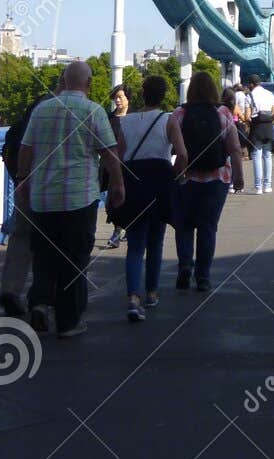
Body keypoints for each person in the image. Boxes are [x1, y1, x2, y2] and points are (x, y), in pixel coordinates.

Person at [17, 60, 123, 338]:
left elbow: (25, 149)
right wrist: (118, 185)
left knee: (43, 256)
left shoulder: (42, 110)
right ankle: (68, 322)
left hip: (43, 198)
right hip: (79, 199)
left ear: (63, 81)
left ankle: (39, 303)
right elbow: (110, 153)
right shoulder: (93, 111)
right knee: (75, 260)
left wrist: (22, 180)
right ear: (88, 84)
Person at [116, 75, 187, 322]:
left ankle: (133, 298)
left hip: (134, 183)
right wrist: (178, 175)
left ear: (142, 94)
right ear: (163, 94)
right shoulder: (167, 120)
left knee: (135, 245)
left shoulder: (126, 121)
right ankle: (152, 292)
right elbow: (183, 154)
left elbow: (120, 156)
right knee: (156, 241)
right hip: (160, 182)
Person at [173, 72, 245, 291]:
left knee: (184, 224)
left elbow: (171, 144)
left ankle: (185, 264)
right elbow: (233, 148)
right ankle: (203, 276)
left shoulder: (180, 113)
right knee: (208, 227)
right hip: (217, 178)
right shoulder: (222, 112)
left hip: (186, 178)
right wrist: (238, 176)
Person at [0, 100, 38, 317]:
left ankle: (10, 289)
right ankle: (41, 298)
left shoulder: (17, 129)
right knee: (51, 245)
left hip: (23, 189)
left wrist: (19, 181)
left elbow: (8, 156)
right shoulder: (45, 128)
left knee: (20, 240)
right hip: (48, 192)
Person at [101, 84, 130, 250]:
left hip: (130, 165)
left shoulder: (134, 117)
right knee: (113, 200)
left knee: (128, 197)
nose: (118, 100)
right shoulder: (109, 119)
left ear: (128, 98)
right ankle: (117, 230)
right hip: (112, 166)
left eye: (121, 97)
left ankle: (122, 231)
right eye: (116, 97)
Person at [246, 77, 274, 194]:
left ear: (251, 84)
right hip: (269, 128)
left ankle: (258, 187)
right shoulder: (270, 94)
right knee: (268, 156)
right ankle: (267, 185)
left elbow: (247, 116)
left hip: (256, 129)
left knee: (256, 156)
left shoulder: (250, 96)